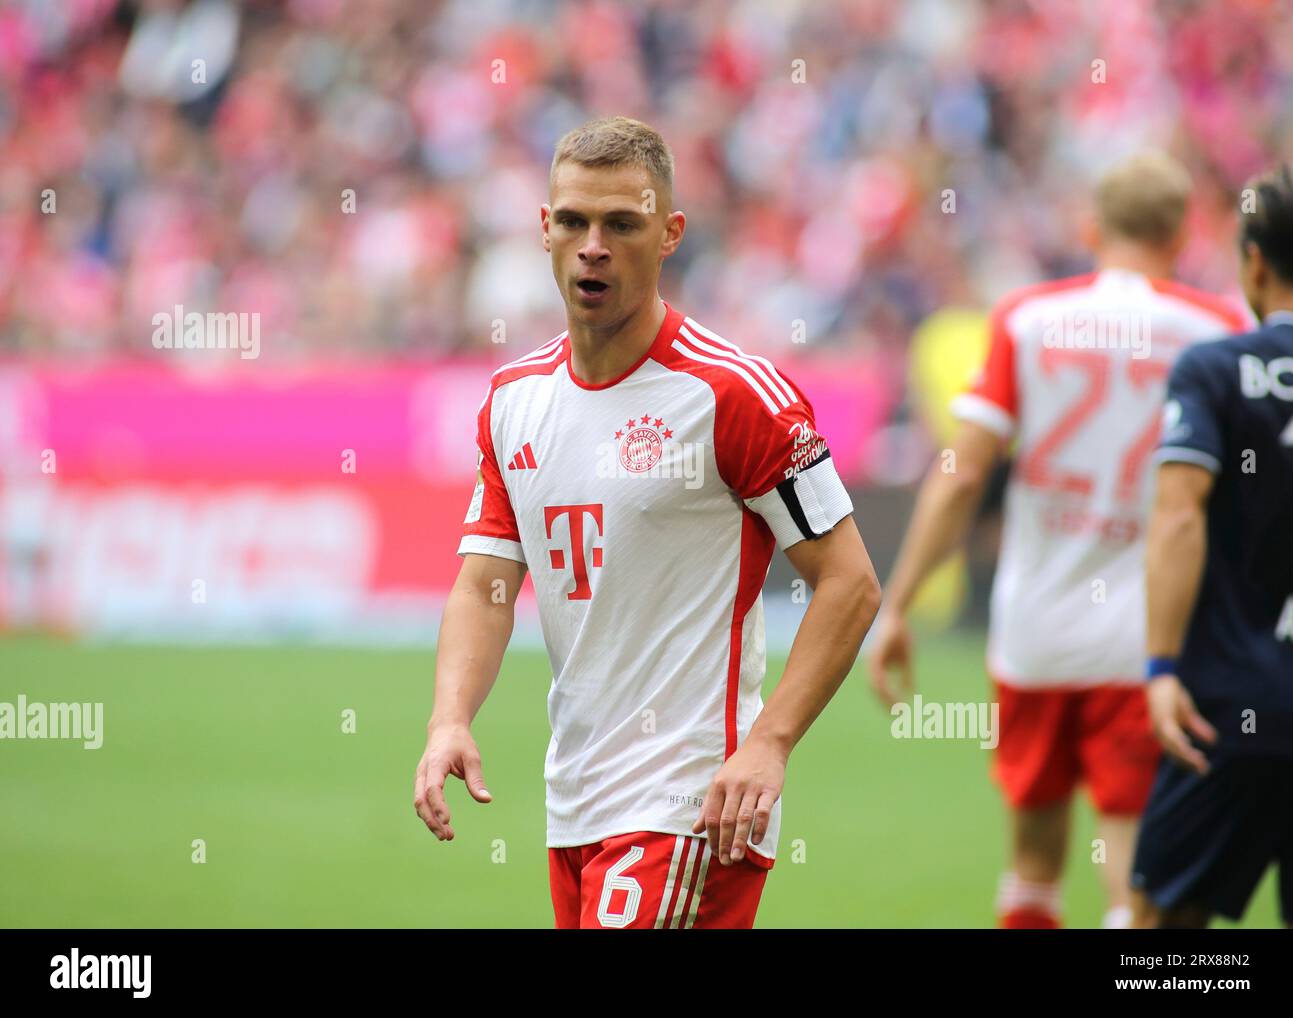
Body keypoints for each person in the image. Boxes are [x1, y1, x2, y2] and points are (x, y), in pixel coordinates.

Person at [412, 116, 881, 929]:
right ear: (543, 228)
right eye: (573, 221)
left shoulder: (734, 395)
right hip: (578, 798)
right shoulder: (513, 401)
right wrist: (450, 718)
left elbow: (849, 583)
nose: (593, 245)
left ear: (669, 235)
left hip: (692, 798)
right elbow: (486, 584)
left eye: (621, 225)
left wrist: (769, 743)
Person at [868, 152, 1249, 928]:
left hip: (1033, 632)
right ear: (1182, 232)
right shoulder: (1219, 327)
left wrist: (897, 603)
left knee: (1033, 862)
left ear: (1089, 226)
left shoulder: (1025, 317)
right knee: (1134, 877)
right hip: (1150, 643)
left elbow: (962, 474)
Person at [1131, 163, 1293, 928]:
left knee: (1165, 936)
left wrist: (1161, 666)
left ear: (1254, 262)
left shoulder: (1215, 370)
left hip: (1229, 707)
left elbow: (1178, 517)